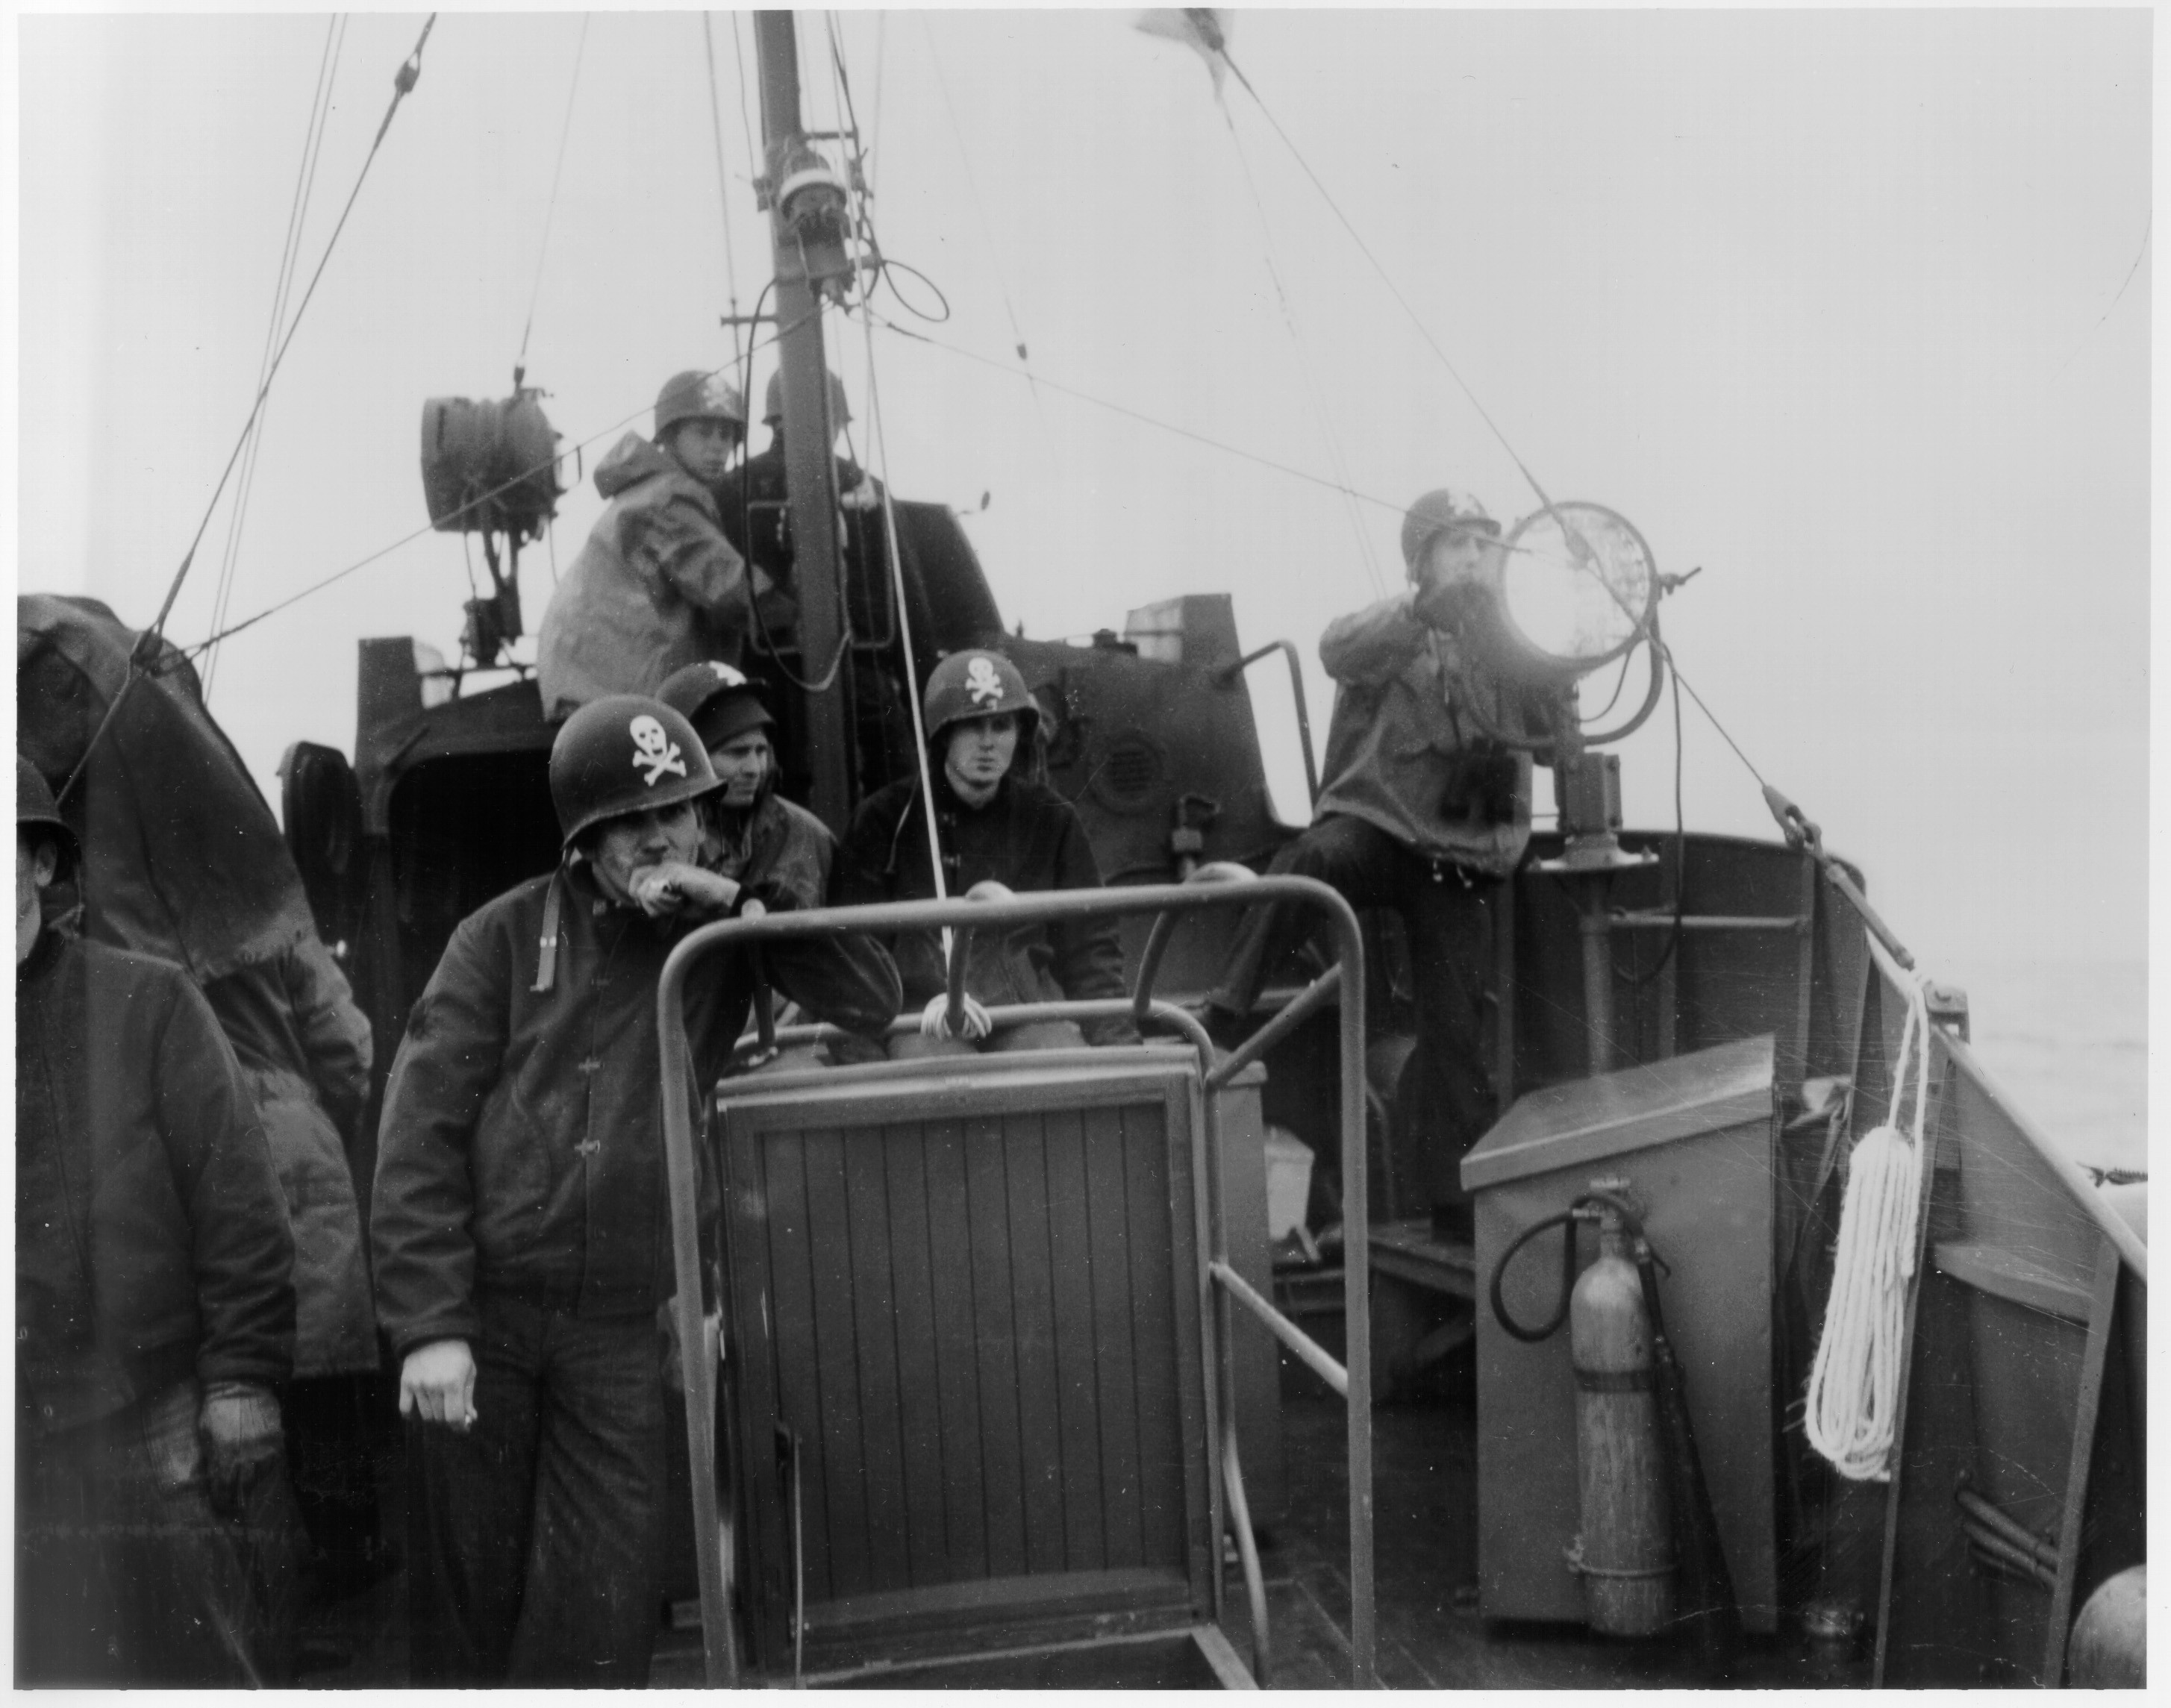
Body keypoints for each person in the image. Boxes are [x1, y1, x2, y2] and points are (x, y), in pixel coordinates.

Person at [371, 697, 898, 1685]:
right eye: (632, 821)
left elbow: (872, 997)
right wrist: (429, 1324)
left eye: (680, 812)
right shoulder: (499, 937)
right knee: (468, 1607)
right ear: (584, 840)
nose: (661, 835)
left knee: (604, 1610)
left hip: (616, 1324)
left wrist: (740, 908)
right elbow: (419, 1133)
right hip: (485, 1316)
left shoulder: (718, 934)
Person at [15, 756, 297, 1686]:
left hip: (152, 1415)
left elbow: (240, 1207)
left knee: (201, 1668)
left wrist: (243, 1379)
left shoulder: (147, 1001)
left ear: (41, 864)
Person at [1202, 487, 1539, 1239]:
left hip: (1459, 853)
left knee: (1457, 1029)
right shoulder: (1391, 630)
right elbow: (1334, 648)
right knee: (1313, 862)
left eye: (1485, 545)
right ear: (1422, 562)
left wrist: (1553, 643)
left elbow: (1550, 718)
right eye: (1458, 545)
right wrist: (1421, 613)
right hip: (1379, 827)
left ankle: (1454, 1206)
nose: (1476, 557)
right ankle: (1222, 1016)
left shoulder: (1516, 643)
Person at [200, 932, 387, 1601]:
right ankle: (343, 1568)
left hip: (190, 1128)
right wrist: (312, 1107)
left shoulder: (129, 912)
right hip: (288, 1129)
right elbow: (347, 1046)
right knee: (321, 1375)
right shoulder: (270, 921)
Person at [837, 649, 1131, 1057]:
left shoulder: (1052, 820)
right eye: (972, 726)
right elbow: (855, 954)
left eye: (1001, 725)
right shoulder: (884, 820)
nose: (989, 742)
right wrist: (861, 1063)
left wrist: (1123, 1049)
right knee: (935, 1079)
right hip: (922, 1021)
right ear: (943, 736)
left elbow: (1091, 949)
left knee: (1060, 1067)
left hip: (1025, 1015)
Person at [656, 658, 905, 1066]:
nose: (754, 768)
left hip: (799, 1046)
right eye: (735, 753)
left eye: (761, 751)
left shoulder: (809, 836)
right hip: (692, 1056)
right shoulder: (650, 845)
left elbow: (864, 976)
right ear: (686, 758)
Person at [537, 369, 790, 719]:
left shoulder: (649, 492)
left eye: (727, 435)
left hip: (596, 684)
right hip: (621, 692)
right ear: (669, 437)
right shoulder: (667, 499)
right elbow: (733, 592)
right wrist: (790, 589)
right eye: (703, 433)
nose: (718, 447)